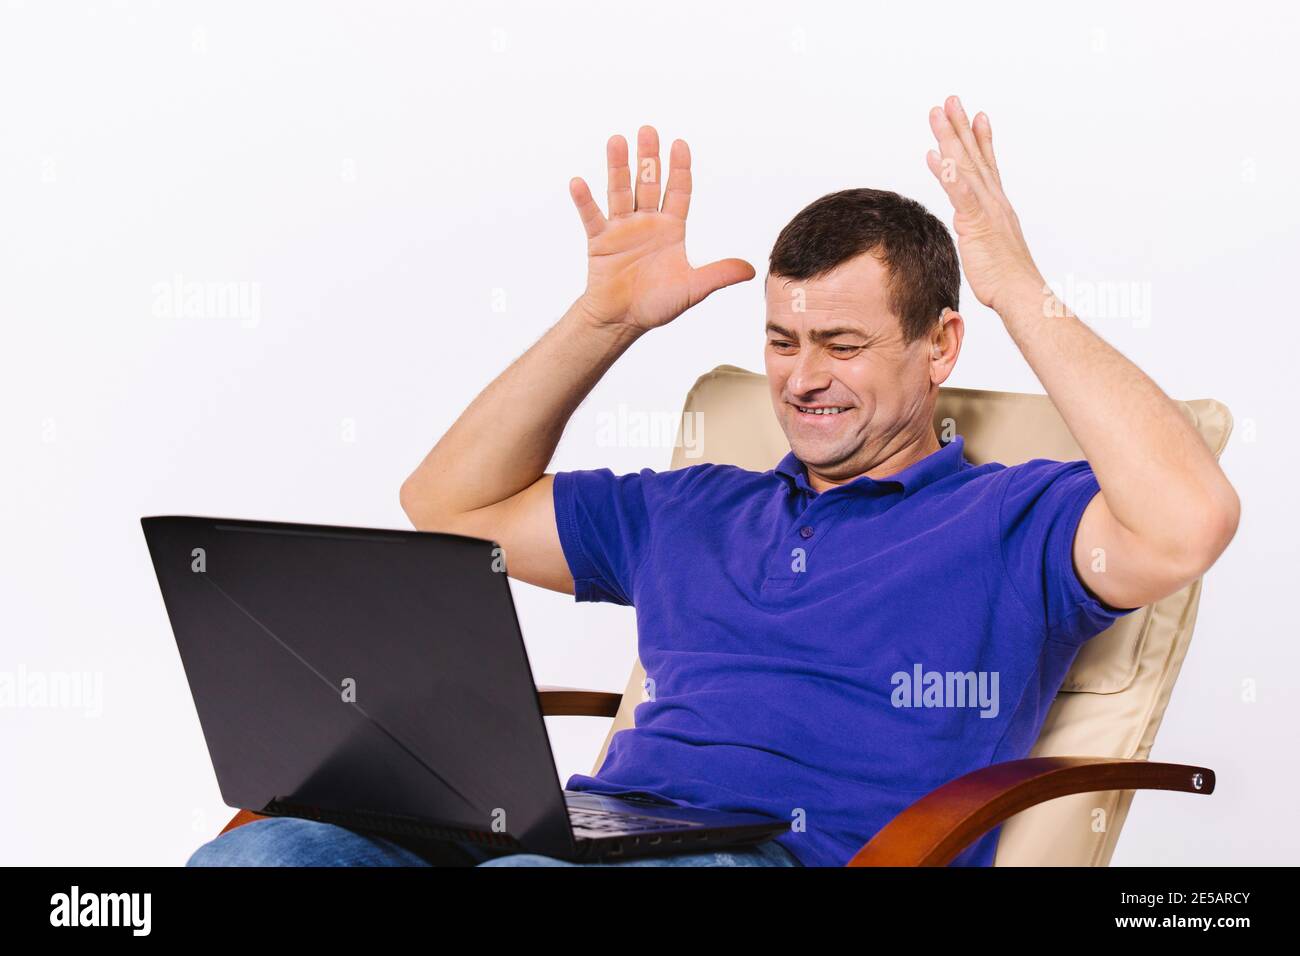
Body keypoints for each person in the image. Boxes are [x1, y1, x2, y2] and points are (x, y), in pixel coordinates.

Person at [189, 95, 1239, 867]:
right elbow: (447, 505)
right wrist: (600, 320)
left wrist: (1023, 292)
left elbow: (1187, 521)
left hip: (773, 861)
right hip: (594, 832)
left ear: (939, 344)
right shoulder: (695, 506)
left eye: (840, 341)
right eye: (782, 339)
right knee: (267, 854)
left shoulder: (1014, 518)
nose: (801, 376)